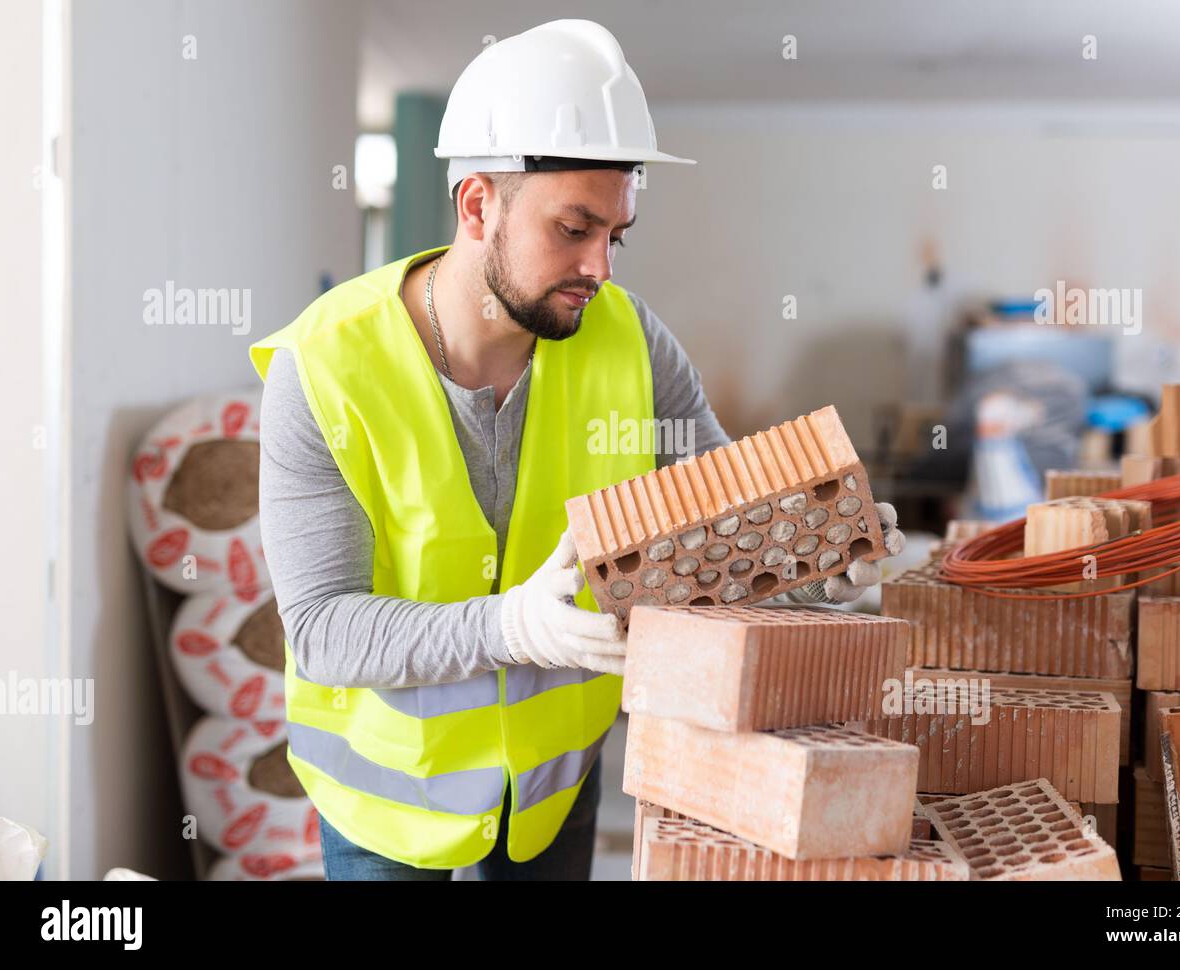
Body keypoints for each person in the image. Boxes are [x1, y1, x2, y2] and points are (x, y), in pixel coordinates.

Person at [249, 19, 904, 881]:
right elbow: (326, 631)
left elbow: (714, 533)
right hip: (391, 805)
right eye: (573, 228)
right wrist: (512, 626)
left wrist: (821, 564)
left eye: (616, 235)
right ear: (479, 204)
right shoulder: (324, 368)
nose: (601, 267)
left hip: (557, 786)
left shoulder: (629, 342)